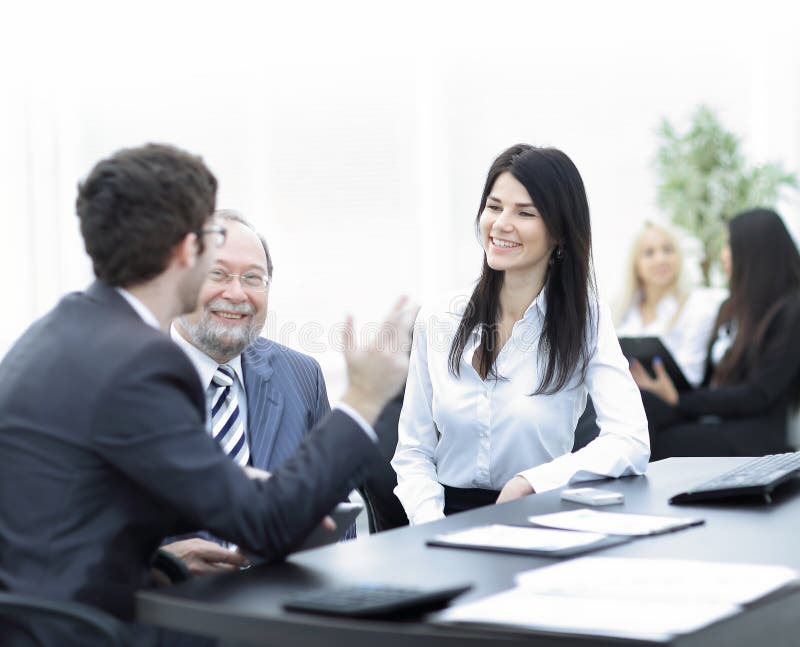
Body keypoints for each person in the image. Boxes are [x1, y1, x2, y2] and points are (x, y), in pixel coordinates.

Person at [0, 143, 412, 646]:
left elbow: (82, 499)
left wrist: (167, 555)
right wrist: (366, 397)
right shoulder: (141, 362)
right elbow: (268, 525)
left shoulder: (57, 331)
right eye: (213, 238)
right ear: (186, 249)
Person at [391, 144, 650, 525]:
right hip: (444, 521)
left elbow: (631, 440)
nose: (500, 224)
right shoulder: (439, 317)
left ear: (560, 233)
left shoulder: (586, 318)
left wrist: (532, 482)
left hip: (538, 515)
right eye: (494, 207)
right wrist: (431, 526)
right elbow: (413, 452)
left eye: (524, 212)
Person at [161, 209, 352, 575]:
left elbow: (336, 509)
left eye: (253, 278)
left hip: (284, 608)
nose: (236, 293)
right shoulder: (126, 378)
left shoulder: (300, 374)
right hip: (170, 613)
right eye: (216, 274)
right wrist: (160, 564)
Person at [631, 208, 800, 459]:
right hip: (714, 418)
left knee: (659, 441)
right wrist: (668, 389)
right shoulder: (731, 308)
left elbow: (759, 394)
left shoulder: (791, 311)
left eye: (729, 246)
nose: (723, 256)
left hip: (755, 432)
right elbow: (711, 382)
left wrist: (680, 400)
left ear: (753, 252)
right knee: (639, 403)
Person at [615, 222, 723, 387]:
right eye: (649, 253)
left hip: (671, 403)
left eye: (668, 250)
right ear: (636, 264)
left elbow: (692, 377)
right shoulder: (621, 312)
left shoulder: (696, 306)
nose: (661, 259)